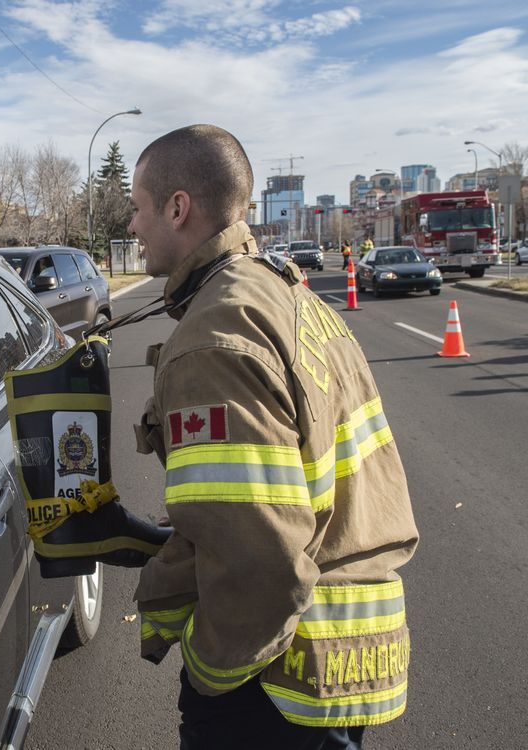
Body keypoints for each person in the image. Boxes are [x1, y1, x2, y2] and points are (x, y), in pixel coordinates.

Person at [127, 125, 418, 749]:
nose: (132, 226)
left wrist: (208, 675)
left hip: (274, 682)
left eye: (138, 207)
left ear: (178, 208)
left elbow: (259, 556)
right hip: (342, 664)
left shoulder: (213, 335)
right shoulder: (282, 291)